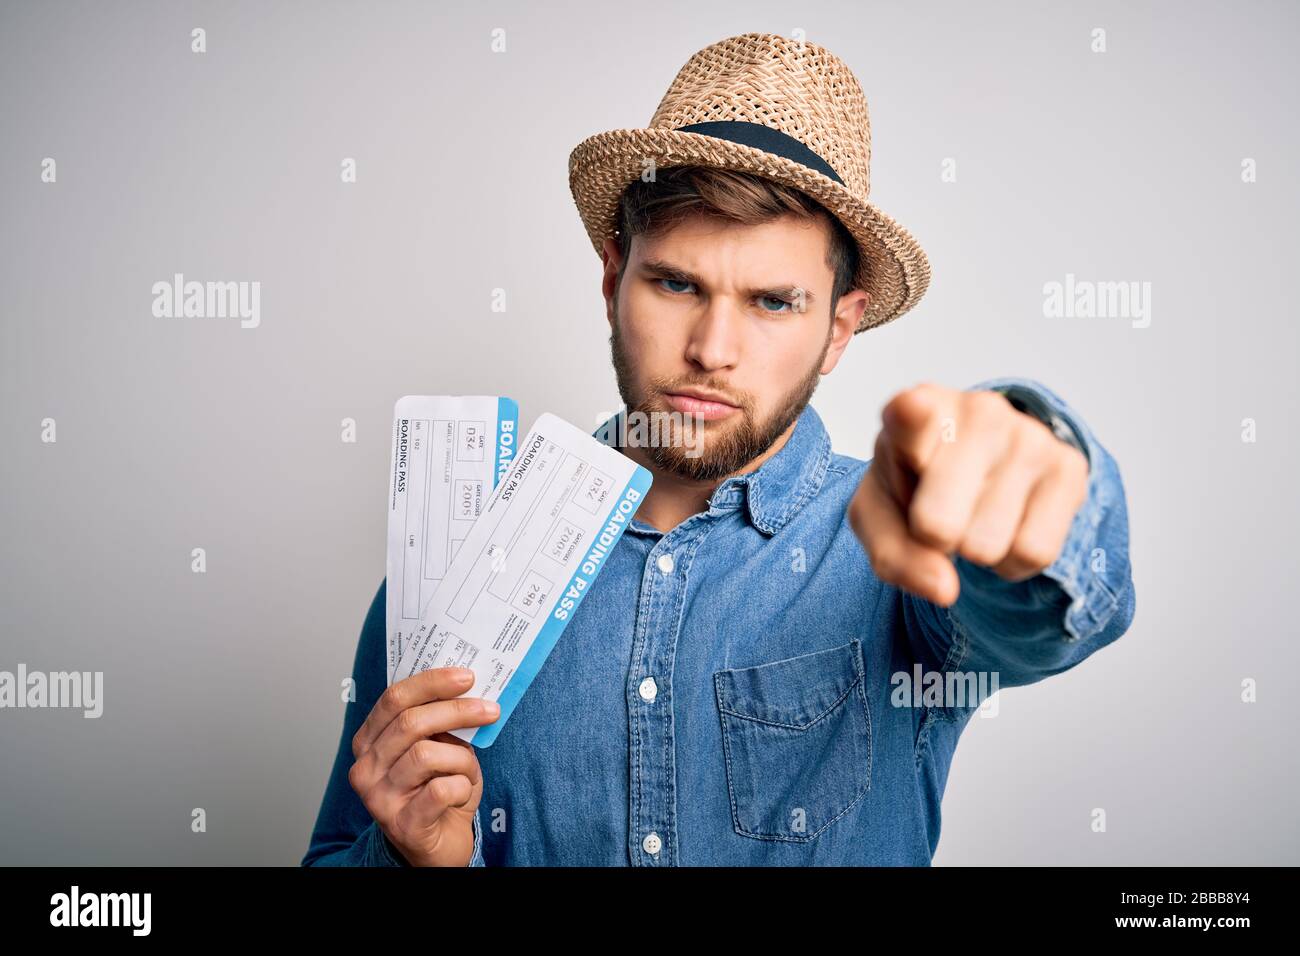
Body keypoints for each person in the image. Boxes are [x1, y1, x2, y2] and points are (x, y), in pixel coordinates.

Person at [303, 32, 1135, 867]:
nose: (712, 348)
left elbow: (1041, 613)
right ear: (611, 282)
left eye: (772, 302)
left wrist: (1033, 478)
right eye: (676, 284)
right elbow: (338, 850)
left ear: (838, 328)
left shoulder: (902, 556)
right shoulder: (454, 567)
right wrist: (416, 860)